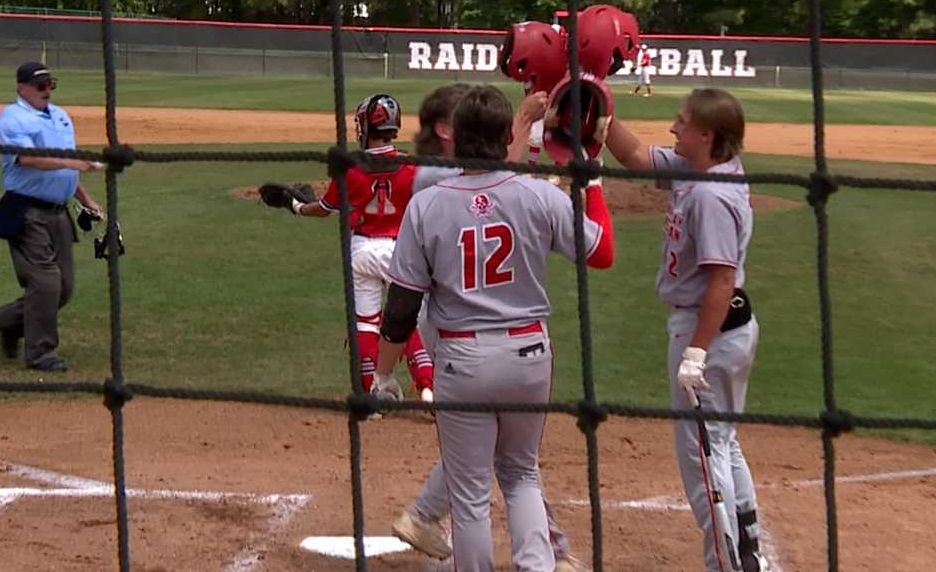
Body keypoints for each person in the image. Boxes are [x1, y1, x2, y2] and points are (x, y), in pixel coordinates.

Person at [372, 85, 615, 571]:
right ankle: (540, 566)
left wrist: (382, 374)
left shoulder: (428, 203)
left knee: (470, 493)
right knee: (522, 473)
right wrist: (591, 176)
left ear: (456, 137)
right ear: (508, 136)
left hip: (463, 361)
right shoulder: (538, 193)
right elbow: (600, 250)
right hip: (530, 355)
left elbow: (401, 305)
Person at [604, 88, 768, 572]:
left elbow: (720, 278)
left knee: (701, 456)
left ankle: (725, 563)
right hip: (725, 328)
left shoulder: (712, 196)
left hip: (709, 331)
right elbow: (633, 154)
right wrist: (599, 109)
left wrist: (696, 352)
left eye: (681, 122)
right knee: (721, 441)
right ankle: (747, 545)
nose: (673, 128)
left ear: (706, 134)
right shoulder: (697, 171)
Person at [273, 94, 436, 400]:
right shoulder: (414, 167)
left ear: (365, 126)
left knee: (365, 323)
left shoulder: (350, 168)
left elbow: (323, 208)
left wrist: (296, 207)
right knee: (406, 319)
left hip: (361, 252)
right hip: (401, 254)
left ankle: (368, 396)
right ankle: (427, 387)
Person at [0, 62, 105, 373]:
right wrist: (77, 162)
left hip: (58, 210)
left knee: (63, 287)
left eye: (51, 84)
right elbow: (27, 158)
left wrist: (86, 200)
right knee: (46, 282)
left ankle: (8, 321)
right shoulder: (13, 118)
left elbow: (64, 167)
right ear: (21, 88)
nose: (47, 91)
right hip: (25, 210)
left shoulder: (61, 117)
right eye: (40, 86)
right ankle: (41, 354)